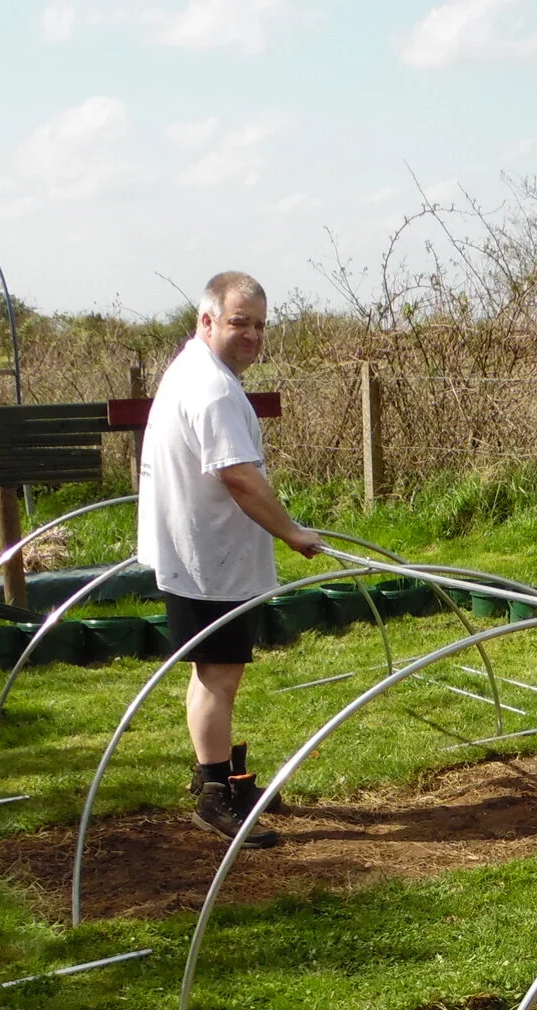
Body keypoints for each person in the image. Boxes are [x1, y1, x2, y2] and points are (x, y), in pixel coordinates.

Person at [137, 269, 323, 846]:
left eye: (261, 326)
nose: (252, 335)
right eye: (240, 322)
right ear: (207, 319)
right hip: (206, 557)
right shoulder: (213, 388)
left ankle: (221, 776)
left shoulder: (195, 370)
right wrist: (292, 532)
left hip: (196, 551)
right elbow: (238, 476)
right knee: (220, 675)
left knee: (212, 672)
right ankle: (217, 796)